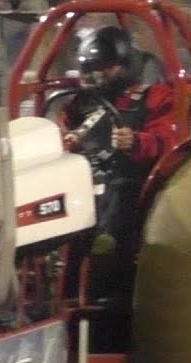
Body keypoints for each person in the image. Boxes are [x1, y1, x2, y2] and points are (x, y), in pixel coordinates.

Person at [61, 25, 178, 279]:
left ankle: (105, 279)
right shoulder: (78, 103)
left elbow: (168, 141)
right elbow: (61, 130)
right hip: (82, 176)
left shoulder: (153, 96)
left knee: (115, 198)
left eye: (105, 67)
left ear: (123, 64)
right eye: (91, 68)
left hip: (131, 179)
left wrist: (136, 141)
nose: (97, 75)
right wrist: (64, 140)